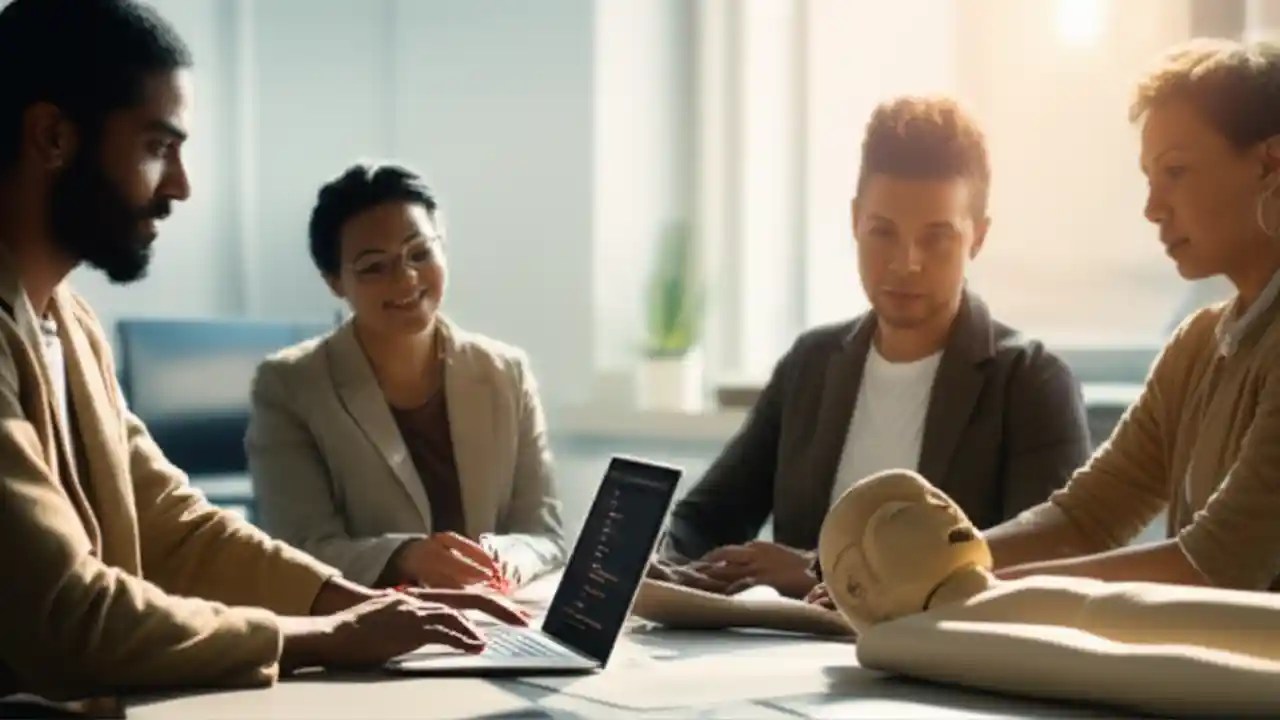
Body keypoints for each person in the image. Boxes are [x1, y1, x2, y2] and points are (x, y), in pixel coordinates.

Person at [0, 0, 522, 700]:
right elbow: (69, 618)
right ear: (53, 136)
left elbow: (173, 527)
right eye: (159, 147)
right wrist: (320, 638)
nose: (181, 186)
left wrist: (356, 605)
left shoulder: (72, 324)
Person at [651, 96, 1091, 598]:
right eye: (883, 232)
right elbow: (709, 514)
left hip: (937, 666)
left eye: (937, 238)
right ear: (856, 221)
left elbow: (1039, 560)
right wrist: (664, 567)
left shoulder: (1031, 382)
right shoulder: (811, 364)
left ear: (979, 237)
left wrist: (824, 571)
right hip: (781, 653)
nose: (906, 262)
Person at [970, 38, 1280, 591]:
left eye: (1176, 171)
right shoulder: (1199, 343)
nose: (1152, 208)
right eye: (1149, 178)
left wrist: (983, 592)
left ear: (1269, 163)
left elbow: (1215, 567)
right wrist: (928, 565)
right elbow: (1085, 517)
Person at [247, 162, 566, 591]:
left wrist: (505, 558)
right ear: (334, 281)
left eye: (420, 253)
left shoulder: (506, 373)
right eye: (374, 266)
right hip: (374, 629)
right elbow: (299, 547)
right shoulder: (289, 385)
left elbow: (543, 534)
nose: (407, 278)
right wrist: (406, 557)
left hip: (497, 617)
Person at [815, 469, 1280, 717]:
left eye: (938, 495)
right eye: (902, 515)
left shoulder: (998, 595)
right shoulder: (905, 639)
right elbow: (1112, 670)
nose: (943, 510)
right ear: (856, 585)